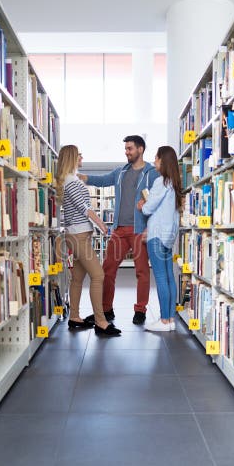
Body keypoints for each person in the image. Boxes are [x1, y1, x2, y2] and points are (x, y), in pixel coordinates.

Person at [78, 135, 159, 325]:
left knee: (142, 272)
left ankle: (140, 310)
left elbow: (158, 199)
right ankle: (106, 310)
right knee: (107, 269)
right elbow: (102, 180)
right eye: (126, 149)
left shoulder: (152, 173)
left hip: (140, 229)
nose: (127, 152)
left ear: (140, 149)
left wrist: (151, 226)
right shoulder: (121, 172)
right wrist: (83, 177)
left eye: (130, 148)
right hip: (119, 230)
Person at [55, 145, 121, 336]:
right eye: (79, 154)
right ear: (72, 158)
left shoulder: (70, 180)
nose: (82, 156)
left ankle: (74, 318)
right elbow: (84, 207)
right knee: (98, 276)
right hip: (79, 236)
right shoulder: (72, 182)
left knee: (77, 278)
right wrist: (101, 223)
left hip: (74, 234)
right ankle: (101, 321)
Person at [137, 146, 182, 332]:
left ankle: (163, 321)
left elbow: (149, 208)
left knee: (161, 278)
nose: (154, 161)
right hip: (169, 236)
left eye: (156, 158)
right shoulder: (175, 185)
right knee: (170, 276)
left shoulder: (160, 182)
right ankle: (170, 318)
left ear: (162, 160)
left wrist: (142, 205)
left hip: (156, 235)